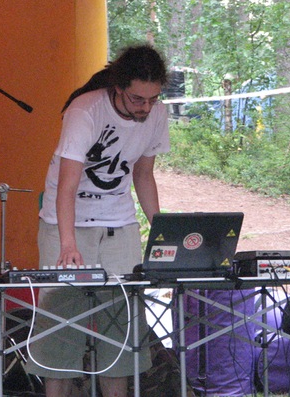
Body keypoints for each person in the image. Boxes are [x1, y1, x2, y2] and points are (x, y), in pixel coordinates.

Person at [25, 43, 170, 397]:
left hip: (119, 223)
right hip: (67, 222)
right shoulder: (85, 110)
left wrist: (162, 232)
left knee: (121, 325)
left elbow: (143, 175)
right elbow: (66, 186)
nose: (145, 107)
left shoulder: (157, 114)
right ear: (118, 87)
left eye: (152, 99)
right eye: (137, 99)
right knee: (61, 322)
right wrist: (68, 244)